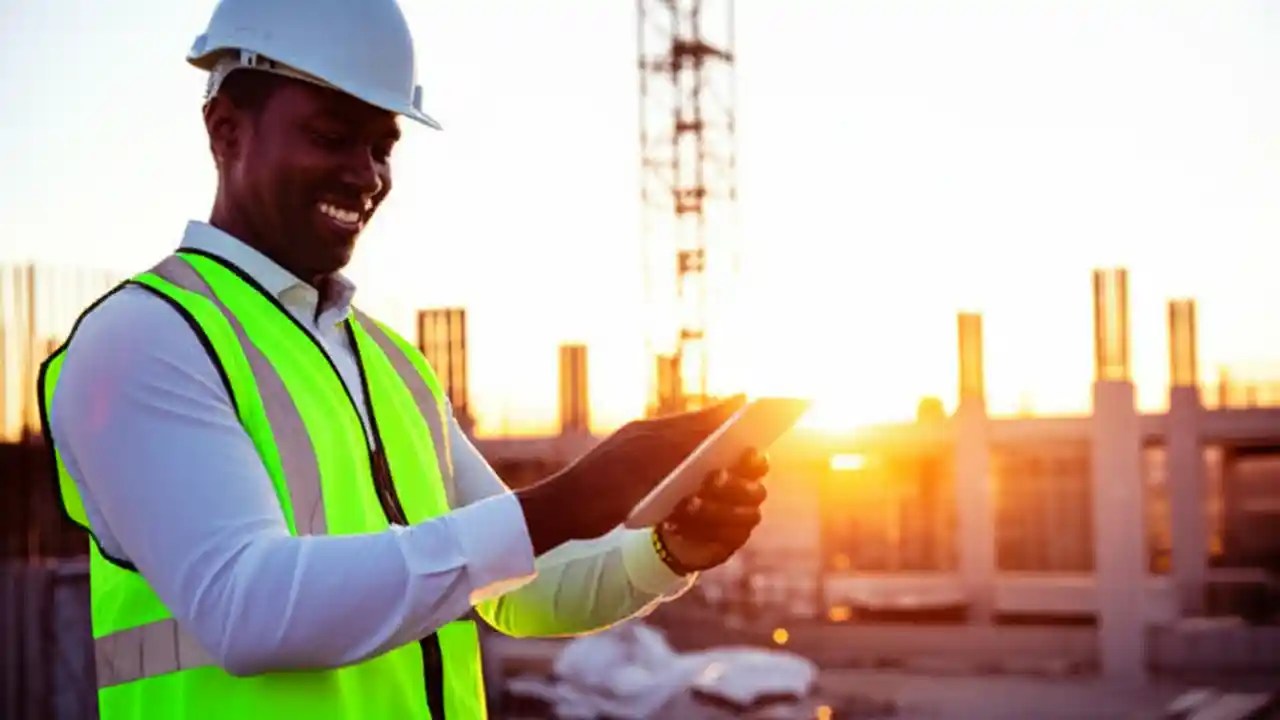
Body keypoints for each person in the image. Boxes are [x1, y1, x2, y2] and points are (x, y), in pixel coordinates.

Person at [36, 1, 770, 718]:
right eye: (331, 136)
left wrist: (668, 551)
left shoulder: (393, 365)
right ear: (225, 129)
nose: (367, 175)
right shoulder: (144, 338)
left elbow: (522, 588)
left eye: (382, 147)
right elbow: (247, 609)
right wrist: (568, 499)